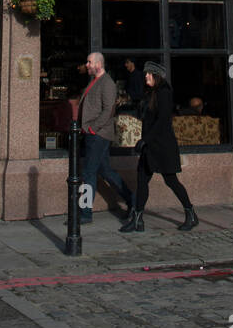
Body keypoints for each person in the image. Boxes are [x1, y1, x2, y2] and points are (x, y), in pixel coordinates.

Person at [120, 61, 198, 234]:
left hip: (163, 147)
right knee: (142, 181)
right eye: (146, 73)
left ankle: (190, 213)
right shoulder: (150, 93)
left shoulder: (164, 93)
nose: (145, 76)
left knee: (171, 181)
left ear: (157, 76)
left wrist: (144, 140)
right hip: (150, 147)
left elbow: (162, 121)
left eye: (149, 74)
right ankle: (138, 220)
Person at [78, 51, 133, 223]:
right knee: (106, 171)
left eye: (89, 62)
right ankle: (133, 200)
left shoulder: (107, 83)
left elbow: (108, 110)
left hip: (98, 134)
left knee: (88, 173)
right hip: (94, 133)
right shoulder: (95, 82)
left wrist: (92, 128)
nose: (86, 65)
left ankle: (85, 213)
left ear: (98, 64)